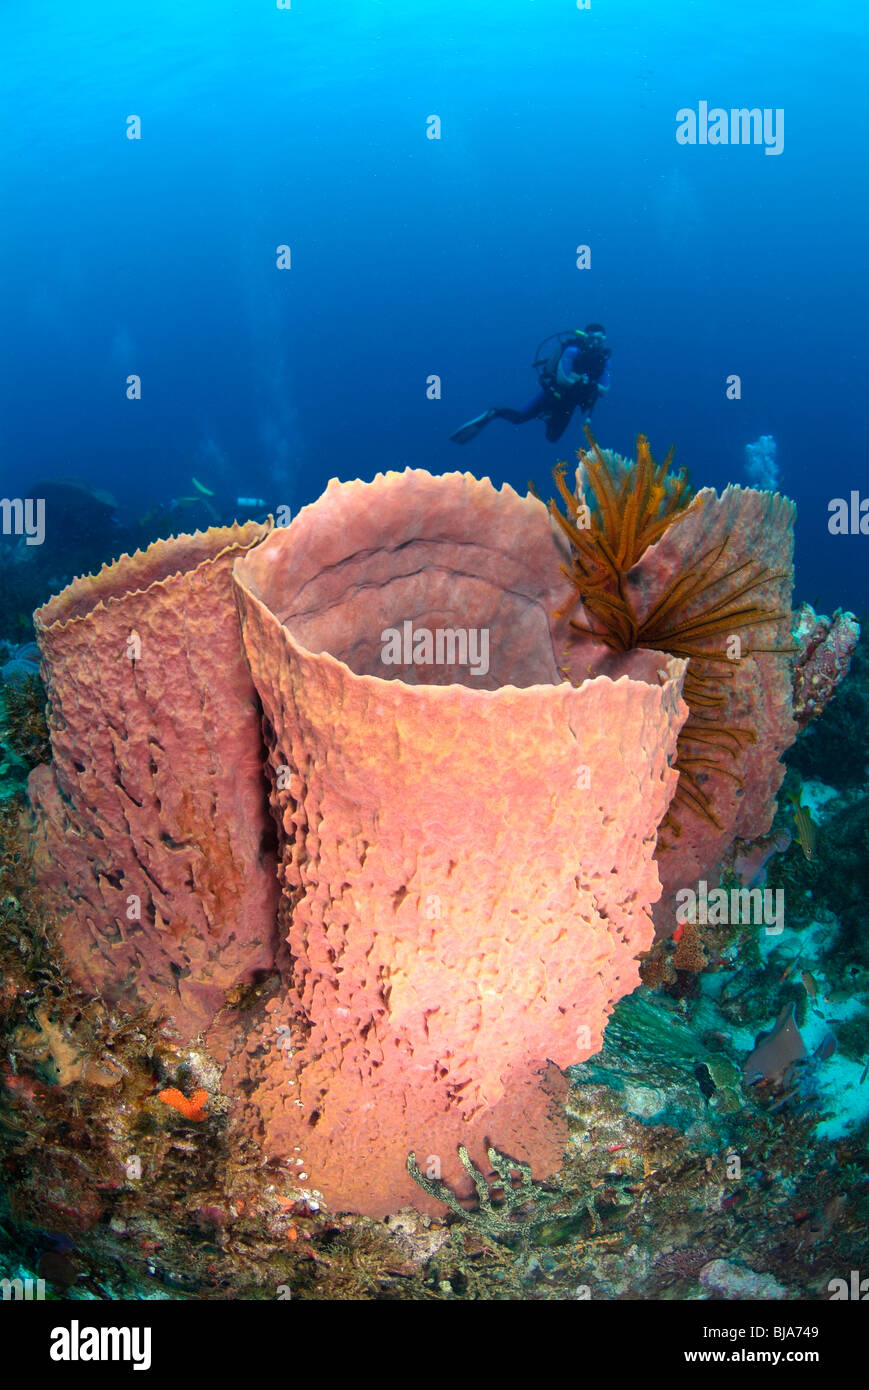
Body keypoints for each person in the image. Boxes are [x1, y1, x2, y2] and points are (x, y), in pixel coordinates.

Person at [450, 324, 611, 445]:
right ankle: (494, 413)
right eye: (592, 338)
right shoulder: (572, 351)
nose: (595, 343)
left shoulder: (603, 360)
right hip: (553, 394)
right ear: (585, 337)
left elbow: (605, 388)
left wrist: (589, 385)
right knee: (519, 418)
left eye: (600, 339)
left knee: (552, 438)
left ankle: (547, 417)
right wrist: (581, 381)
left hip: (569, 404)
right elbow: (563, 378)